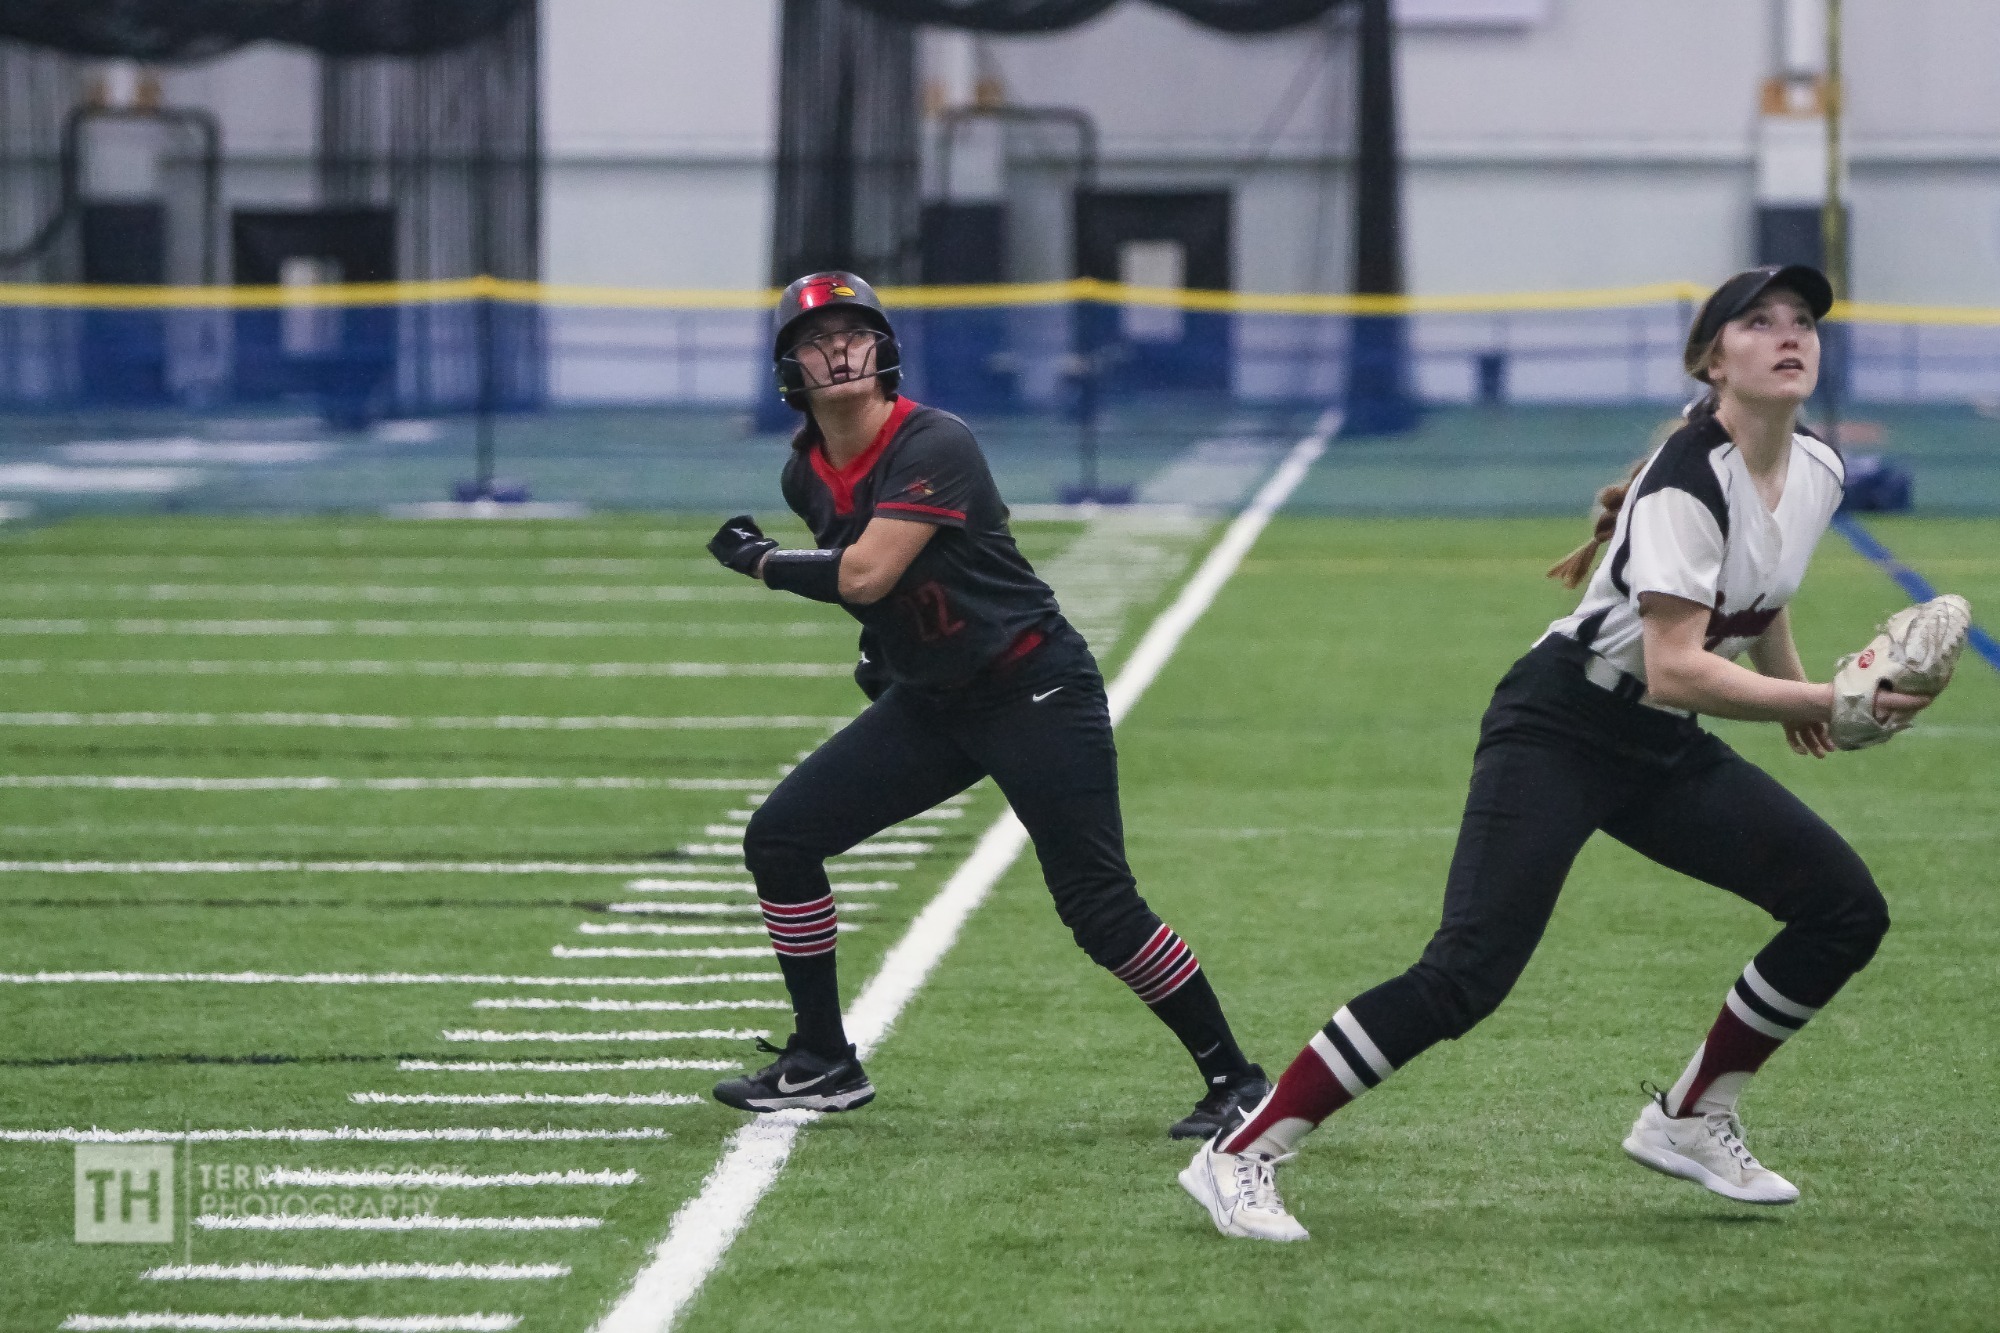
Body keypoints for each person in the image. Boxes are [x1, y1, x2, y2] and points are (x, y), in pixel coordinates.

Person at [1180, 264, 1936, 1242]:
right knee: (1464, 974)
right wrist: (1824, 700)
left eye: (1802, 320)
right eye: (1758, 322)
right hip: (1559, 725)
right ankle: (1238, 1152)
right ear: (1714, 360)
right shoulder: (1684, 482)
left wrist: (1794, 690)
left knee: (1842, 908)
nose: (1788, 334)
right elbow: (1674, 668)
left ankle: (1689, 1117)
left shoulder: (1818, 468)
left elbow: (1761, 585)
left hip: (1654, 741)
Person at [705, 271, 1268, 1136]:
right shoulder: (804, 472)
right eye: (817, 339)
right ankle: (823, 1058)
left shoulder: (935, 440)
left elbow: (866, 572)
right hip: (936, 698)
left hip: (1032, 686)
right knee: (780, 837)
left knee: (1098, 906)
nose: (839, 350)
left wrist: (762, 562)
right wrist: (885, 654)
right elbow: (883, 595)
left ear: (883, 348)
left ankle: (1238, 1079)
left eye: (853, 332)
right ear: (791, 368)